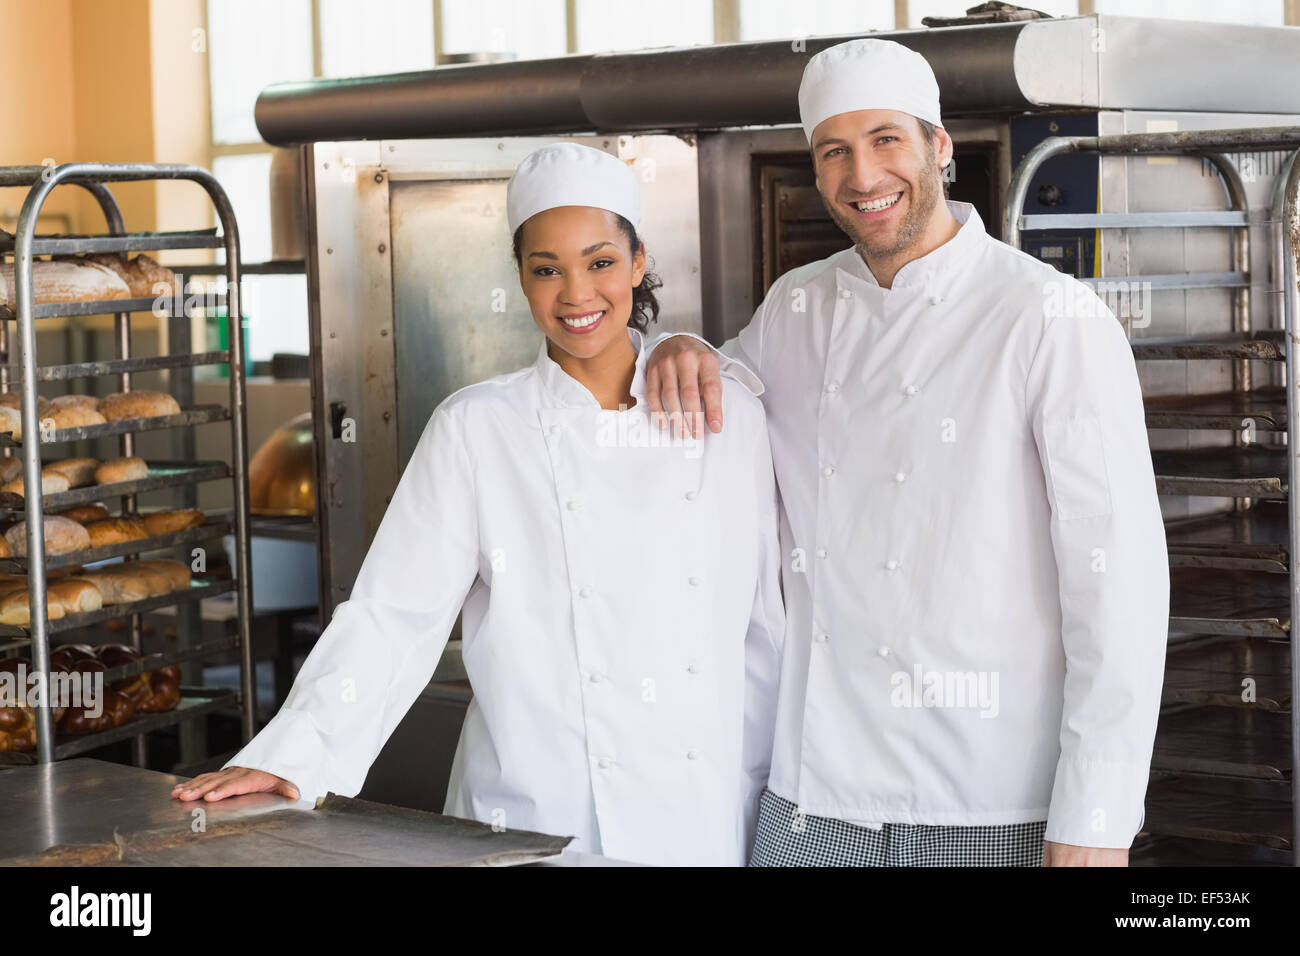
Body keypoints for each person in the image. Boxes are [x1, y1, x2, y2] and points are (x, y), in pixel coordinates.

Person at [174, 143, 786, 867]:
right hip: (529, 815)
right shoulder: (477, 427)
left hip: (696, 814)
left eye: (599, 262)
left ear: (638, 260)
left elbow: (764, 630)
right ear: (521, 278)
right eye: (545, 269)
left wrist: (769, 794)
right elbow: (392, 616)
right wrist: (296, 755)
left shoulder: (726, 417)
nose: (575, 295)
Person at [644, 38, 1169, 867]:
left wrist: (1096, 816)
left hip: (987, 798)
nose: (863, 176)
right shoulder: (797, 307)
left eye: (886, 140)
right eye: (834, 151)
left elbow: (1120, 589)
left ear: (939, 147)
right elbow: (717, 390)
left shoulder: (1048, 319)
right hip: (812, 798)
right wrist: (675, 344)